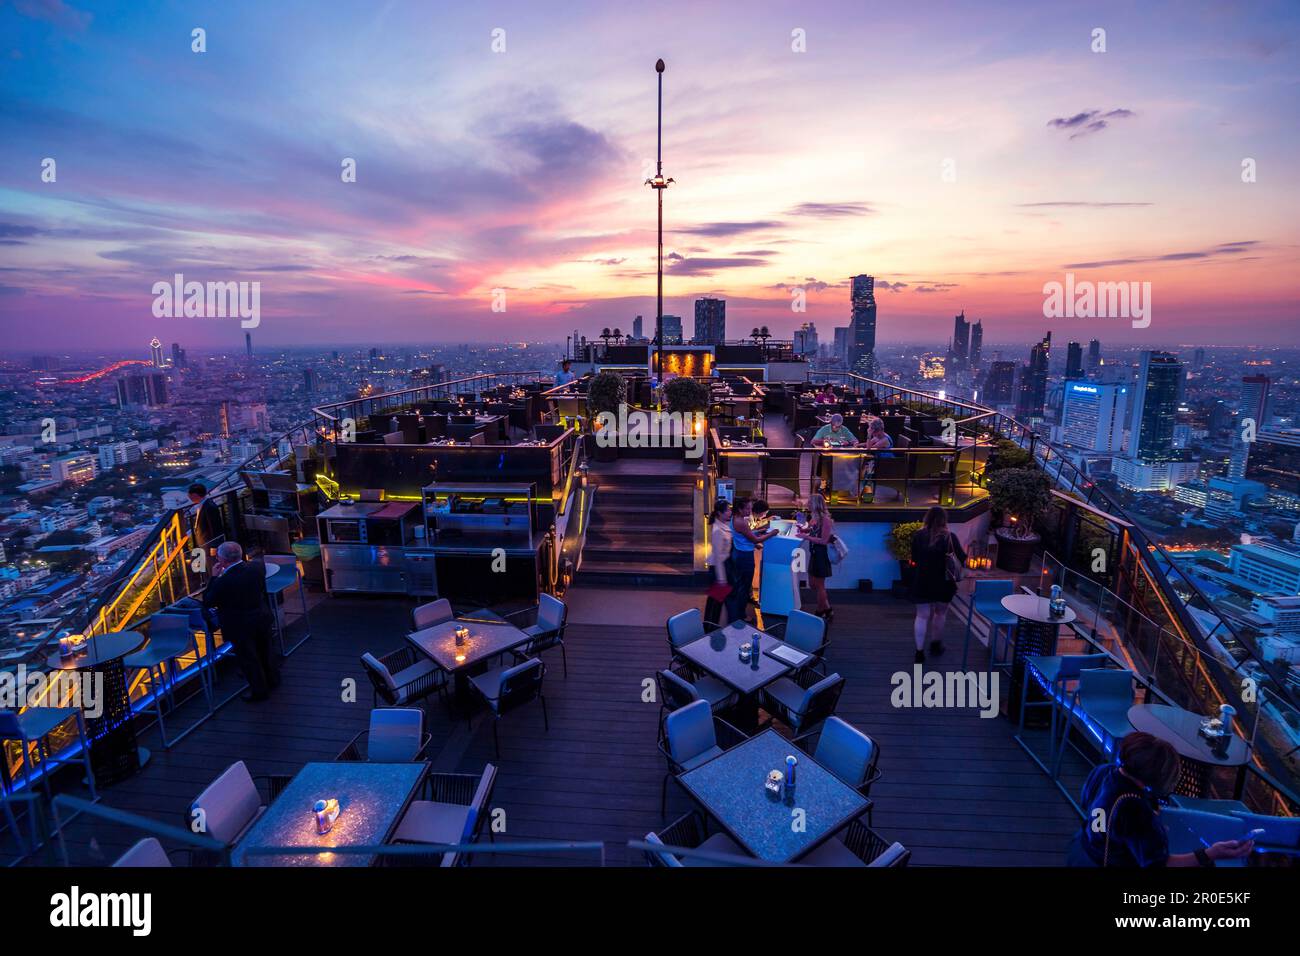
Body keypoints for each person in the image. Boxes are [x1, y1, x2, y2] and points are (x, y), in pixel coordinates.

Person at [1066, 732, 1254, 867]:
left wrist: (1135, 832)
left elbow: (1089, 804)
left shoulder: (1105, 772)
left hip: (1083, 850)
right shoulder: (1135, 809)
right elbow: (1157, 864)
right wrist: (1209, 854)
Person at [203, 541, 279, 701]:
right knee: (265, 650)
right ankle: (273, 680)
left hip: (239, 624)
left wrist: (213, 578)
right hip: (261, 616)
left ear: (222, 560)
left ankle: (259, 691)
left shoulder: (223, 582)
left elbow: (208, 600)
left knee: (248, 658)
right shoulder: (257, 567)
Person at [908, 505, 965, 663]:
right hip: (944, 583)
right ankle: (935, 644)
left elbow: (915, 558)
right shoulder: (950, 537)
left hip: (923, 581)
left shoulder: (919, 536)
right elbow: (962, 557)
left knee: (921, 616)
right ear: (944, 520)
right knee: (940, 614)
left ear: (927, 518)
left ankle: (919, 653)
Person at [726, 497, 779, 624]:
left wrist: (760, 530)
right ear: (740, 508)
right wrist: (772, 533)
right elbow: (755, 540)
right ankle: (741, 615)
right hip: (744, 556)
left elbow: (746, 534)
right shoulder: (742, 522)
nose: (750, 511)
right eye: (748, 508)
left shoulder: (735, 519)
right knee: (744, 587)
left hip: (738, 554)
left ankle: (738, 613)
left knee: (741, 586)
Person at [797, 492, 835, 619]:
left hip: (821, 555)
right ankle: (828, 609)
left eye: (809, 502)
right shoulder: (814, 518)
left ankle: (820, 612)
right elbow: (813, 531)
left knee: (819, 585)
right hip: (814, 554)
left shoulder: (826, 520)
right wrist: (804, 530)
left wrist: (806, 537)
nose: (807, 504)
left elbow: (823, 541)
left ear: (815, 504)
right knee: (814, 584)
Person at [704, 499, 733, 626]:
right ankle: (711, 627)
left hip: (721, 566)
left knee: (714, 600)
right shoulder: (717, 530)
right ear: (720, 513)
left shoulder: (723, 526)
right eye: (727, 510)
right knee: (716, 601)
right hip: (718, 568)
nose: (730, 512)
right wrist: (722, 579)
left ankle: (709, 625)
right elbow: (717, 556)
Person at [188, 483, 225, 564]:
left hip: (209, 545)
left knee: (212, 566)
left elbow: (215, 528)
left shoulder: (209, 507)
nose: (188, 497)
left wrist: (214, 546)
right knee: (208, 566)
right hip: (205, 545)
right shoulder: (204, 504)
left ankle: (214, 576)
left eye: (189, 494)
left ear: (194, 495)